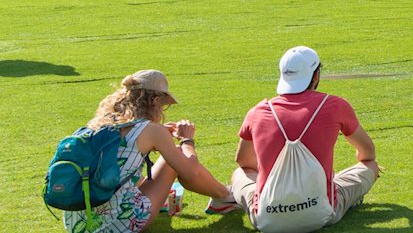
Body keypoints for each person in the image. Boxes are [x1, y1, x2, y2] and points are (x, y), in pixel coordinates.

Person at [58, 71, 235, 231]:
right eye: (163, 105)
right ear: (155, 100)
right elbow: (191, 172)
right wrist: (187, 140)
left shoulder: (100, 123)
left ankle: (224, 196)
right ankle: (225, 196)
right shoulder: (151, 131)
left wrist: (157, 138)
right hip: (117, 225)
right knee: (177, 156)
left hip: (78, 223)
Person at [230, 46, 378, 228]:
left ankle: (224, 200)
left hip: (267, 220)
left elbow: (244, 162)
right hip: (321, 214)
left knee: (239, 174)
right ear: (315, 76)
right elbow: (368, 154)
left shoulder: (258, 111)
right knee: (370, 166)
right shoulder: (335, 105)